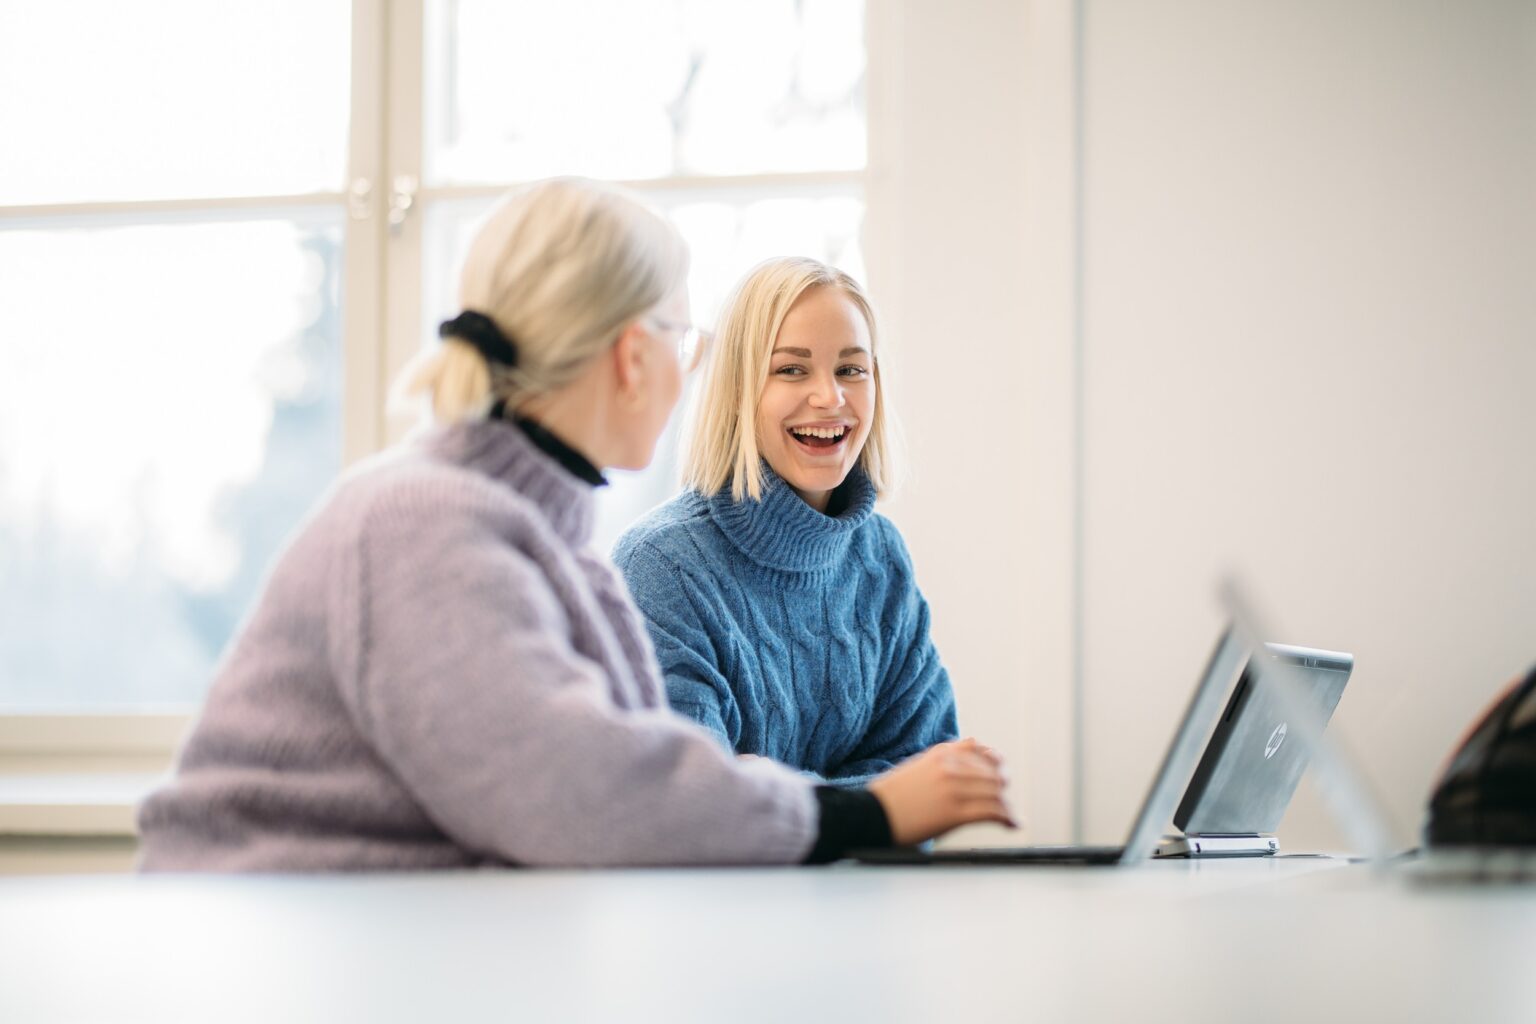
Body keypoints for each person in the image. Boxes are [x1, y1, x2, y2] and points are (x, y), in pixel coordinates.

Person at [137, 179, 1012, 871]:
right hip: (262, 955)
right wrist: (872, 810)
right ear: (635, 357)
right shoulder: (423, 524)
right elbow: (588, 791)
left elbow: (638, 778)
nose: (689, 372)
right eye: (683, 339)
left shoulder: (545, 542)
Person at [613, 257, 957, 787]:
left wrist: (774, 784)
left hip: (877, 875)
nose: (829, 397)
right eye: (791, 369)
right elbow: (695, 810)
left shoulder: (881, 555)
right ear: (737, 392)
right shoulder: (661, 568)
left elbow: (930, 778)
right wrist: (879, 804)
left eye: (851, 369)